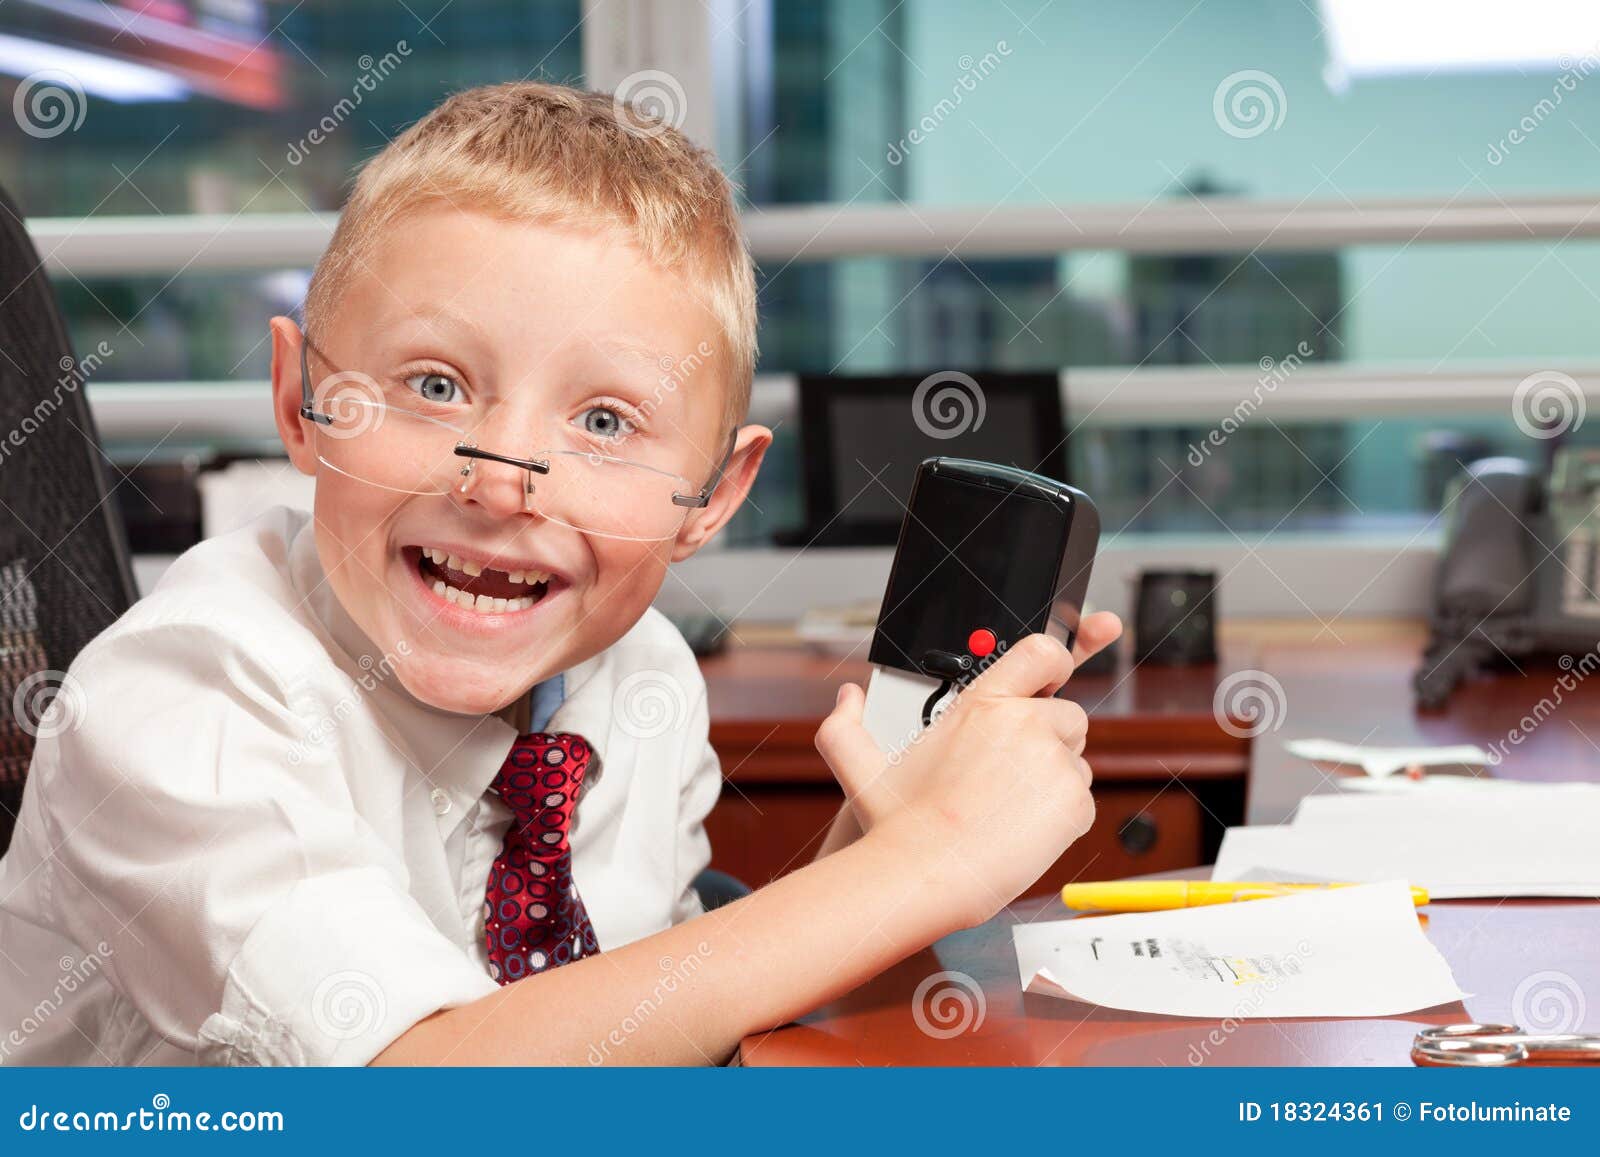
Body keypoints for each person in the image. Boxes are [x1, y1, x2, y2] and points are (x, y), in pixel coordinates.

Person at [0, 81, 1120, 1066]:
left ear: (713, 500)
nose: (502, 485)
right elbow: (423, 1085)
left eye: (602, 418)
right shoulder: (177, 700)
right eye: (435, 385)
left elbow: (650, 1024)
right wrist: (929, 861)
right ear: (301, 401)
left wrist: (894, 827)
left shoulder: (642, 676)